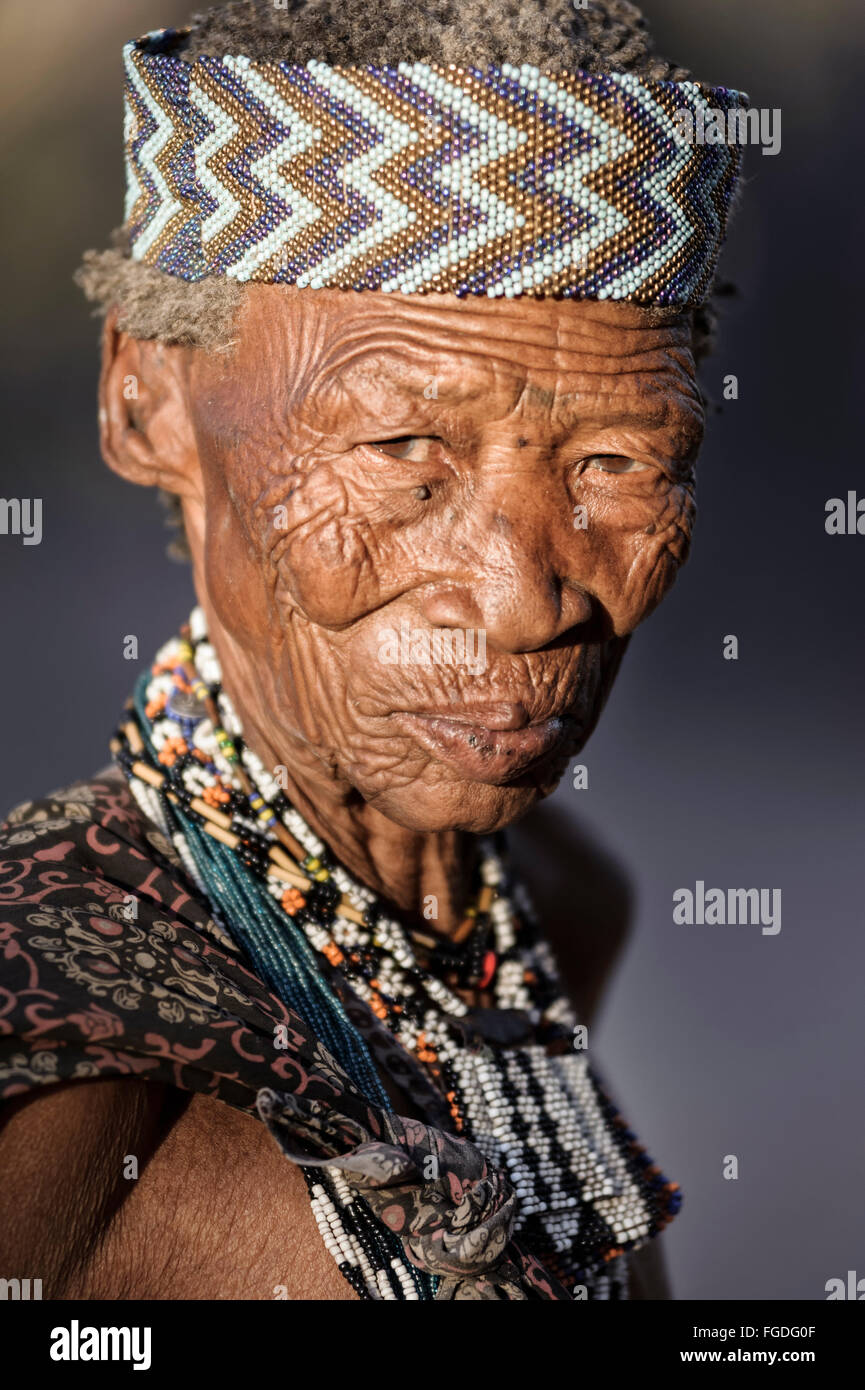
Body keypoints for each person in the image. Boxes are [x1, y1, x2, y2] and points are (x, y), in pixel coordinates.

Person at [0, 0, 744, 1300]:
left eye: (619, 462)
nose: (524, 603)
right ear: (144, 403)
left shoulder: (554, 907)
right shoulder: (62, 1061)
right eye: (405, 452)